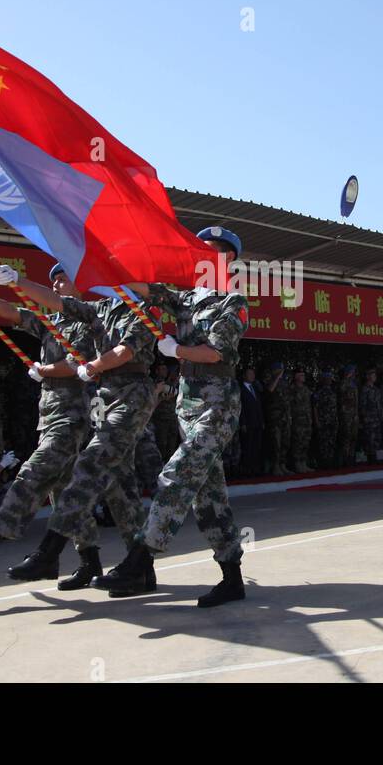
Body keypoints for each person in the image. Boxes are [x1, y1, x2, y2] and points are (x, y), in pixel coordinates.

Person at [0, 264, 160, 584]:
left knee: (42, 471)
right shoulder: (52, 323)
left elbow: (78, 364)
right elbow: (12, 312)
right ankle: (92, 562)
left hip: (80, 416)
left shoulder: (92, 321)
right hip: (53, 415)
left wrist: (45, 370)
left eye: (63, 277)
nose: (57, 284)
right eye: (52, 280)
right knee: (74, 490)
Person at [91, 226, 251, 606]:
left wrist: (175, 348)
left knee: (176, 474)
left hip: (217, 405)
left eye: (209, 251)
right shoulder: (186, 299)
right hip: (188, 403)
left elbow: (214, 353)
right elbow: (144, 289)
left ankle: (139, 559)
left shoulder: (233, 302)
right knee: (208, 498)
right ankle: (233, 579)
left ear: (227, 259)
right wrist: (107, 261)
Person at [263, 361, 292, 475]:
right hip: (274, 418)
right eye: (278, 370)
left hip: (285, 417)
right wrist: (277, 377)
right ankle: (275, 466)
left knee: (285, 442)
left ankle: (282, 465)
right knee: (276, 443)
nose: (281, 372)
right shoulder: (269, 379)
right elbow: (269, 390)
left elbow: (288, 400)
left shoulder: (284, 382)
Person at [238, 366, 265, 477]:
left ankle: (255, 468)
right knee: (247, 446)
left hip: (257, 422)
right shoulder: (240, 389)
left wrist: (262, 420)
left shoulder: (255, 388)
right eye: (249, 374)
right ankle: (246, 469)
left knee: (256, 446)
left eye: (253, 374)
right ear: (244, 375)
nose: (252, 376)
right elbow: (241, 407)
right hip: (247, 422)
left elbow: (259, 406)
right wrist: (243, 423)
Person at [151, 362, 181, 462]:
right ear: (157, 371)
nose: (165, 371)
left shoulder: (169, 383)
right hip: (160, 420)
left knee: (172, 446)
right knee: (161, 445)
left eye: (165, 369)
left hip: (172, 419)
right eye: (162, 369)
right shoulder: (154, 384)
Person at [287, 368, 314, 473]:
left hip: (306, 420)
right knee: (297, 442)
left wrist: (311, 419)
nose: (303, 376)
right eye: (301, 374)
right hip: (297, 420)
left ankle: (303, 463)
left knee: (305, 442)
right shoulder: (292, 389)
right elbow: (288, 405)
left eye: (303, 374)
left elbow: (309, 405)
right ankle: (297, 464)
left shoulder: (306, 389)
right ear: (296, 377)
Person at [312, 369, 338, 470]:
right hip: (323, 421)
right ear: (323, 380)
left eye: (330, 378)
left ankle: (330, 461)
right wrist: (317, 421)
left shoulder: (333, 392)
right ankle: (323, 463)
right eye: (327, 378)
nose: (330, 380)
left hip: (332, 420)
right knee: (323, 442)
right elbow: (315, 408)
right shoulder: (318, 393)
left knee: (331, 441)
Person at [359, 367, 383, 463]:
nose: (375, 377)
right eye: (373, 375)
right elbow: (362, 405)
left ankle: (376, 458)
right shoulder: (365, 389)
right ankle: (371, 459)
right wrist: (364, 417)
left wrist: (381, 417)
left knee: (377, 438)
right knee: (369, 439)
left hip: (377, 418)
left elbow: (379, 405)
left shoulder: (376, 389)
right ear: (368, 377)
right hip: (369, 418)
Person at [337, 364, 360, 467]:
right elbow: (341, 397)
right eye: (352, 371)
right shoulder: (343, 383)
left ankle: (351, 457)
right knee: (346, 436)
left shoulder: (354, 384)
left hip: (354, 414)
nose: (353, 374)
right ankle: (345, 459)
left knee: (353, 436)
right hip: (346, 414)